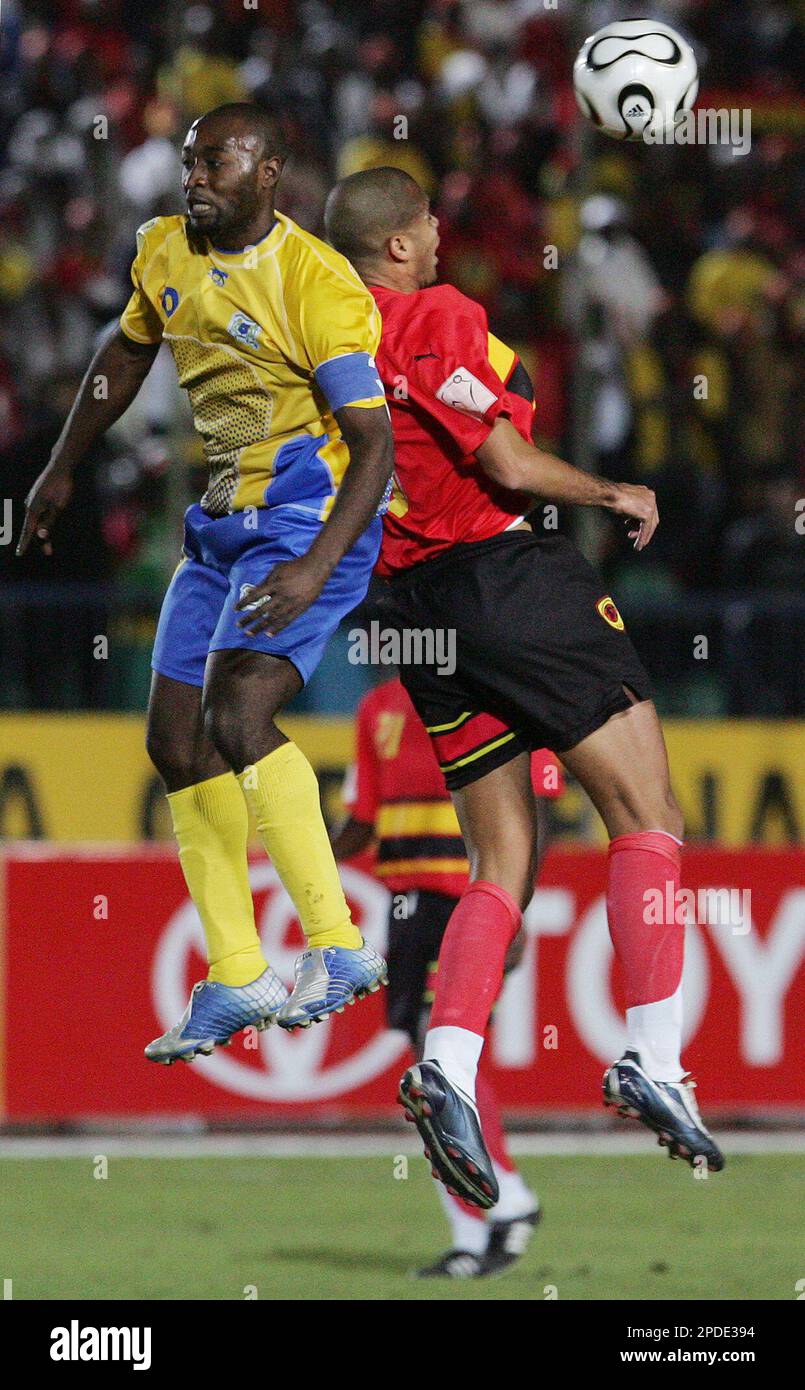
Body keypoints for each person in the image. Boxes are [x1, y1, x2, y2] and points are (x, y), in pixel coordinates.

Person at [325, 166, 724, 1208]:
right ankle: (655, 1058)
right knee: (649, 809)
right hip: (505, 577)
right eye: (426, 224)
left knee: (501, 856)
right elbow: (502, 460)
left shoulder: (319, 339)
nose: (439, 236)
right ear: (401, 245)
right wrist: (609, 491)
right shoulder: (434, 313)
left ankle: (446, 1065)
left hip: (409, 609)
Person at [17, 104, 395, 1060]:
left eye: (214, 161)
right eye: (188, 161)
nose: (194, 176)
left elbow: (374, 445)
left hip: (309, 514)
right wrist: (63, 464)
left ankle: (338, 943)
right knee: (177, 742)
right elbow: (129, 350)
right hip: (223, 522)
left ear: (267, 170)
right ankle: (236, 972)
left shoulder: (318, 284)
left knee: (238, 715)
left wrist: (315, 565)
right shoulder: (161, 250)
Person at [333, 674, 564, 1277]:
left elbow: (537, 807)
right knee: (434, 1059)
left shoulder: (502, 685)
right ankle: (482, 1225)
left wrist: (518, 908)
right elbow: (363, 817)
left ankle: (502, 1204)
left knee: (437, 1065)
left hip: (476, 903)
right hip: (408, 903)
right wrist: (300, 849)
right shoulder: (377, 706)